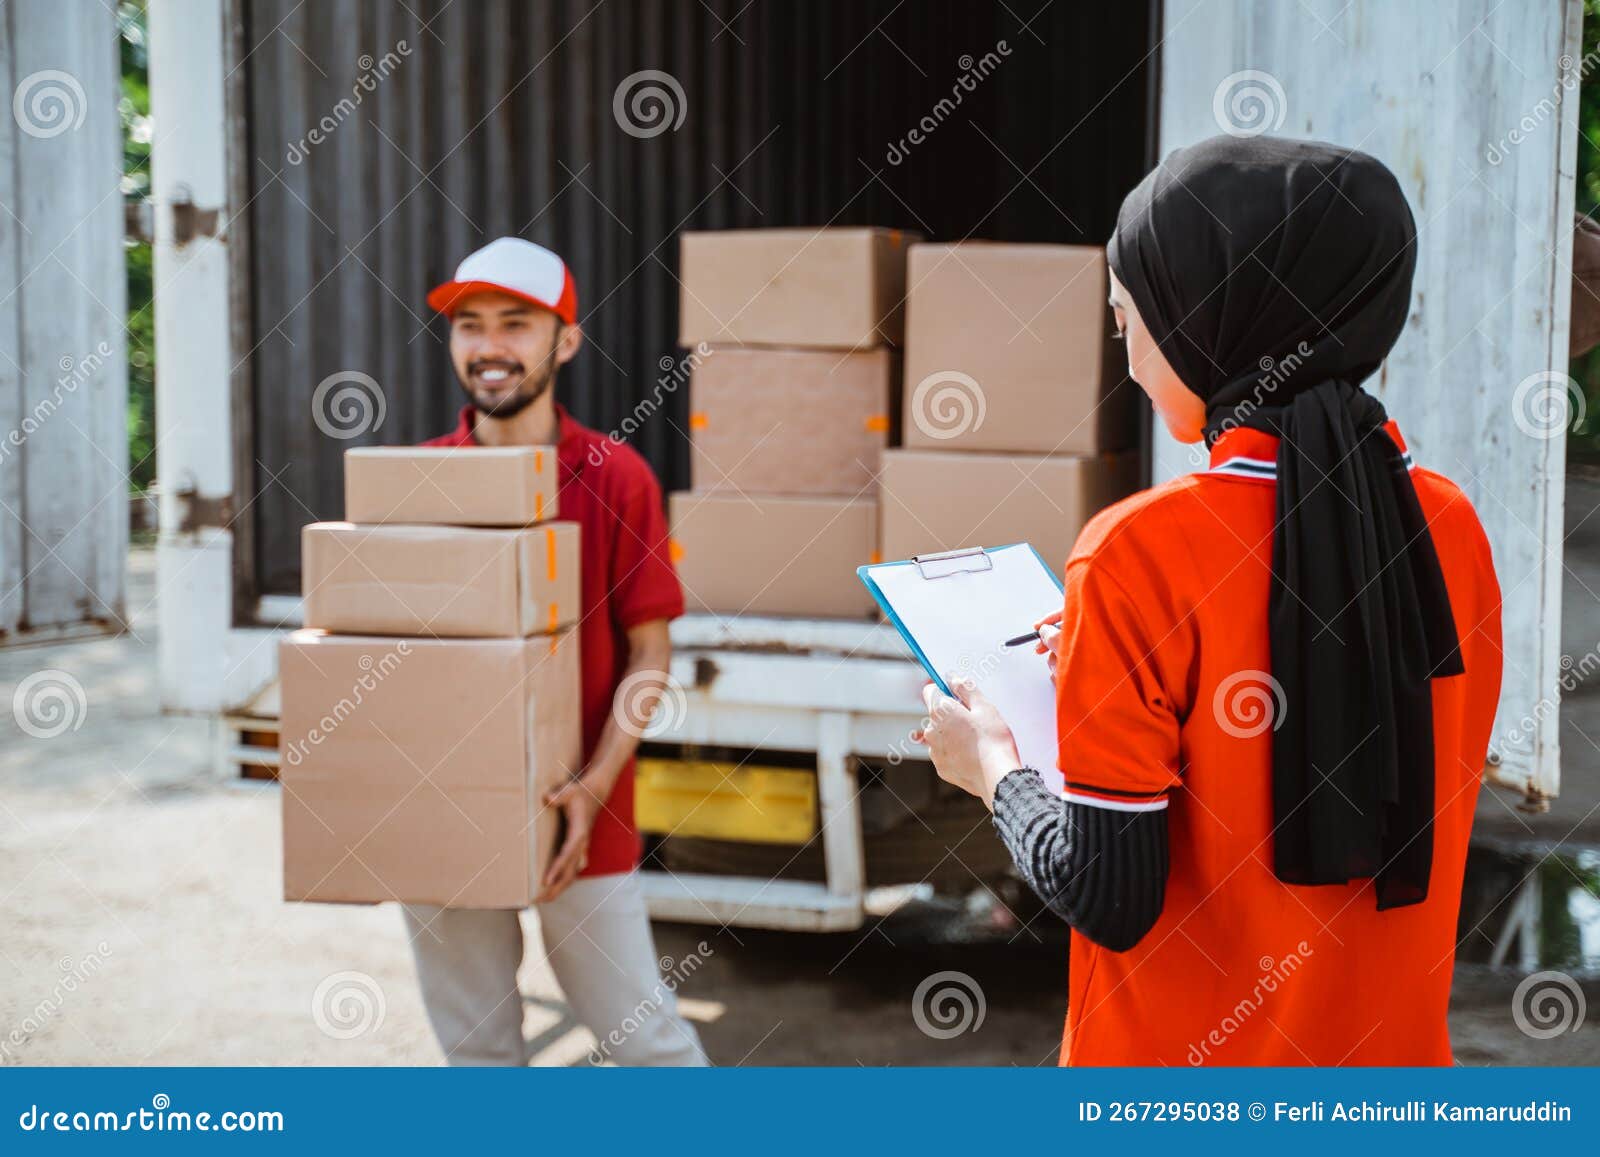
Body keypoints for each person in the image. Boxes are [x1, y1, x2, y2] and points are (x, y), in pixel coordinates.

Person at [914, 135, 1503, 1066]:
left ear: (1210, 318)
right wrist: (1132, 667)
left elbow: (1110, 895)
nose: (1131, 358)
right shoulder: (1449, 524)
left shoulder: (1135, 553)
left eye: (1129, 319)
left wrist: (992, 768)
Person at [401, 236, 707, 1067]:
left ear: (565, 341)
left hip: (585, 814)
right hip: (448, 814)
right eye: (470, 325)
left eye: (516, 324)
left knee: (648, 1046)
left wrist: (597, 783)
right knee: (480, 1056)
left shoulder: (616, 477)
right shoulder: (417, 481)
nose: (490, 347)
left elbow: (650, 651)